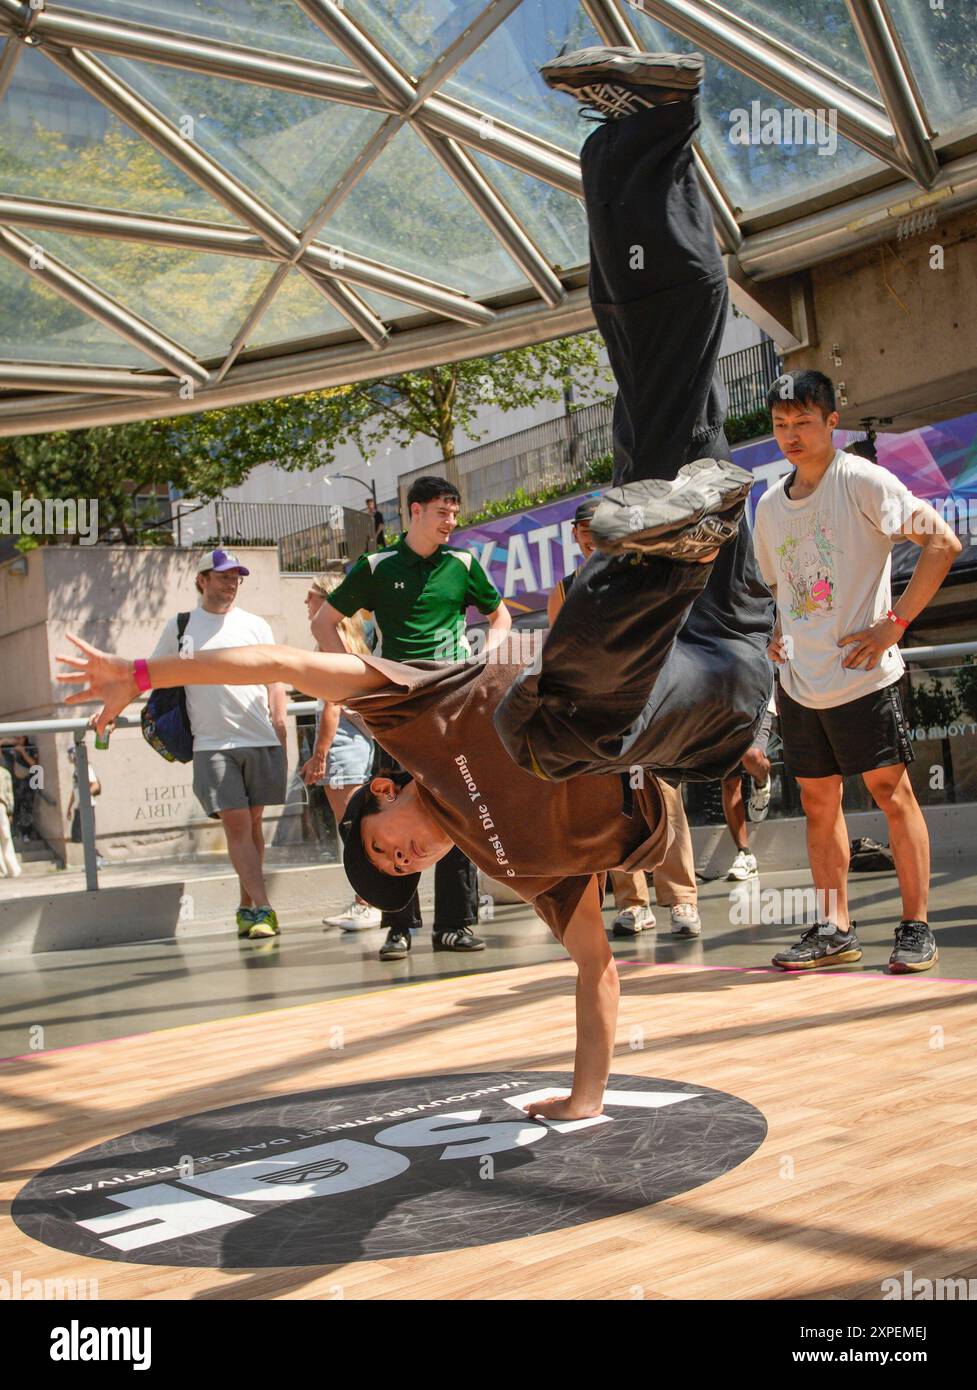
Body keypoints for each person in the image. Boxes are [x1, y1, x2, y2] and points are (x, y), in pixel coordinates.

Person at [58, 47, 777, 1123]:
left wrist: (143, 666)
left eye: (382, 842)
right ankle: (672, 538)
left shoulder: (410, 724)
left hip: (673, 606)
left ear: (378, 796)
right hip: (707, 697)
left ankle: (640, 132)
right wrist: (583, 1099)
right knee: (550, 707)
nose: (402, 851)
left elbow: (283, 660)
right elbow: (593, 967)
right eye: (399, 867)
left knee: (647, 357)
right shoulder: (521, 868)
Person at [753, 370, 961, 973]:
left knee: (890, 795)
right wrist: (775, 633)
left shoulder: (863, 481)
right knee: (819, 804)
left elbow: (942, 543)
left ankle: (916, 927)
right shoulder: (768, 506)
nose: (791, 435)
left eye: (804, 422)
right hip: (800, 683)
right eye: (781, 425)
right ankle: (834, 929)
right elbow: (778, 586)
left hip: (864, 675)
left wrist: (893, 624)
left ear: (831, 422)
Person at [312, 475, 513, 961]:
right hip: (398, 715)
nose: (452, 522)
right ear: (415, 512)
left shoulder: (462, 564)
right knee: (393, 815)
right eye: (443, 512)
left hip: (455, 708)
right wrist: (359, 684)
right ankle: (397, 926)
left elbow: (500, 617)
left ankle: (455, 923)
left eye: (455, 513)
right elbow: (323, 624)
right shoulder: (377, 566)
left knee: (458, 814)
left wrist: (487, 658)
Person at [547, 497, 703, 939]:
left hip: (652, 700)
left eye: (599, 527)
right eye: (584, 529)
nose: (591, 536)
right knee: (616, 803)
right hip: (599, 709)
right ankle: (633, 903)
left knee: (666, 798)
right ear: (576, 536)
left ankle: (682, 901)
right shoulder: (564, 588)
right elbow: (559, 652)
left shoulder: (641, 572)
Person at [150, 548, 289, 941]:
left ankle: (247, 908)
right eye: (223, 576)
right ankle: (264, 907)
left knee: (253, 826)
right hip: (211, 744)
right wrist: (110, 706)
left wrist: (280, 722)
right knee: (237, 823)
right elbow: (153, 675)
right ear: (202, 580)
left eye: (236, 577)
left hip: (261, 737)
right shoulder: (182, 627)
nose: (231, 584)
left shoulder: (256, 625)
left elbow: (276, 677)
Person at [300, 573, 382, 931]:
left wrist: (319, 754)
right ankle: (370, 901)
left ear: (327, 599)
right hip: (357, 746)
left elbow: (332, 705)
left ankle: (367, 903)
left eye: (311, 595)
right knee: (357, 827)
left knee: (351, 830)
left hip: (343, 748)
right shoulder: (354, 644)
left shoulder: (329, 649)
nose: (306, 602)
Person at [721, 689, 776, 881]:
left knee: (752, 755)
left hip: (757, 696)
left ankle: (761, 783)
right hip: (719, 703)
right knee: (729, 778)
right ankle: (745, 854)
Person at [0, 759, 21, 878]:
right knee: (6, 839)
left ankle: (5, 870)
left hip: (1, 806)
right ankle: (11, 869)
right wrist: (10, 811)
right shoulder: (4, 773)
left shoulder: (4, 773)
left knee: (5, 838)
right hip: (2, 806)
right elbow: (9, 794)